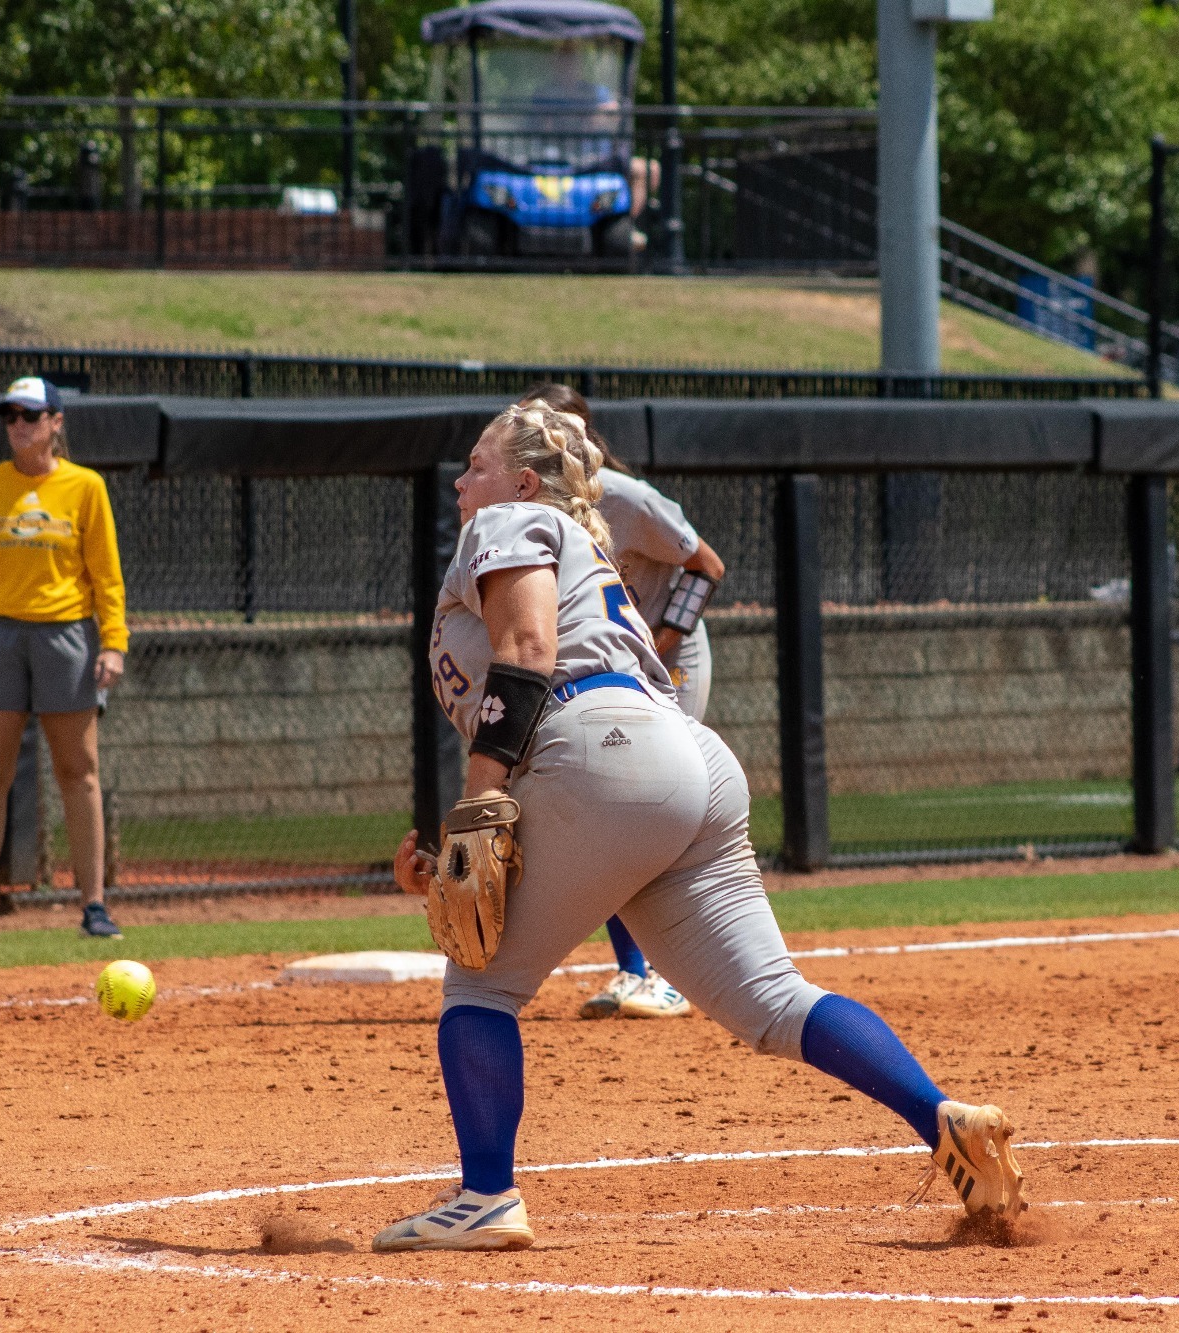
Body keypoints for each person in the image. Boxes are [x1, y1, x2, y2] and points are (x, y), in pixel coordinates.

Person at [376, 404, 1023, 1252]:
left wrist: (476, 806)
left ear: (524, 482)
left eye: (477, 465)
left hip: (606, 751)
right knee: (773, 1000)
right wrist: (455, 849)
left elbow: (529, 652)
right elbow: (556, 743)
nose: (462, 483)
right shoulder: (581, 546)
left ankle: (487, 1195)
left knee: (481, 986)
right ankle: (942, 1117)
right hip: (682, 759)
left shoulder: (505, 522)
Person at [518, 383, 728, 1020]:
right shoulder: (533, 502)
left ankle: (667, 975)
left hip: (670, 654)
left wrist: (662, 640)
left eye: (557, 427)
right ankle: (635, 972)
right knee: (604, 802)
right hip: (611, 661)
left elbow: (708, 566)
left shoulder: (627, 497)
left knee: (642, 800)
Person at [0, 377, 129, 941]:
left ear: (56, 423)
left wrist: (114, 641)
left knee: (78, 771)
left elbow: (106, 573)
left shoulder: (85, 486)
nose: (19, 425)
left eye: (31, 415)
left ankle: (93, 906)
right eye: (10, 416)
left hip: (66, 632)